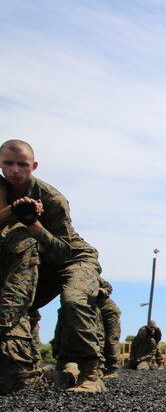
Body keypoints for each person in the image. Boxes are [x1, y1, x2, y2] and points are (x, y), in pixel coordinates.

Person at [0, 139, 104, 392]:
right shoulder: (1, 190)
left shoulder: (52, 198)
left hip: (73, 258)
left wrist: (34, 222)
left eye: (22, 164)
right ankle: (33, 367)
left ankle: (91, 374)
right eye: (8, 164)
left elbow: (62, 251)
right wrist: (14, 211)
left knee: (73, 300)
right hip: (36, 260)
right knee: (18, 304)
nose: (15, 170)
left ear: (33, 165)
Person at [0, 222, 44, 393]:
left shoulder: (17, 235)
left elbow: (15, 298)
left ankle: (66, 374)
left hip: (6, 327)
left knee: (21, 386)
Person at [96, 278, 122, 378]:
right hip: (96, 312)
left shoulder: (94, 276)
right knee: (99, 338)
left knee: (111, 340)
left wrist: (103, 290)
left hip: (110, 312)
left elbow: (109, 287)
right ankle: (100, 367)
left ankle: (112, 369)